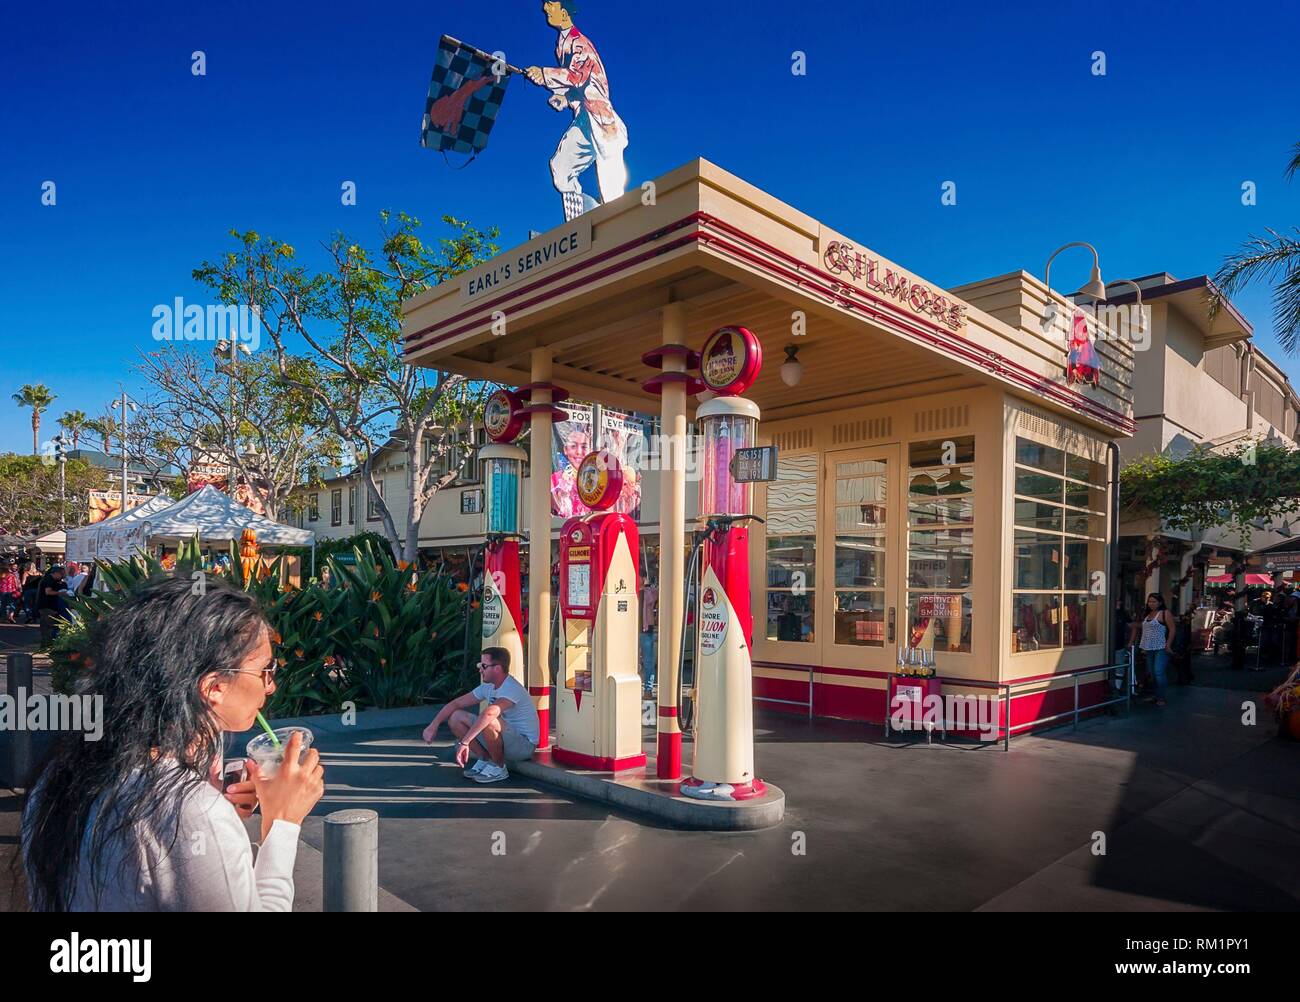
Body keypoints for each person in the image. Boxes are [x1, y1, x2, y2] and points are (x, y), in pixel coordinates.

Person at [21, 574, 324, 910]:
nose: (271, 687)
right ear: (214, 688)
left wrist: (216, 819)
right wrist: (282, 822)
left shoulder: (58, 778)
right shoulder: (191, 811)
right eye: (265, 670)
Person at [525, 0, 629, 222]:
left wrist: (542, 74)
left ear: (564, 13)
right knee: (561, 168)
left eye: (550, 4)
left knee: (612, 190)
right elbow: (582, 85)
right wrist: (565, 97)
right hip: (584, 118)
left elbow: (576, 77)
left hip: (603, 121)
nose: (545, 8)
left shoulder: (580, 44)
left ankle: (619, 229)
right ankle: (580, 223)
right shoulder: (563, 44)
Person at [422, 646, 539, 784]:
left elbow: (490, 713)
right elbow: (456, 704)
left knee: (489, 720)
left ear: (497, 668)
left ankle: (499, 767)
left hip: (523, 747)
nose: (480, 669)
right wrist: (433, 725)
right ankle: (485, 759)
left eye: (483, 666)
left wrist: (464, 742)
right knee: (456, 717)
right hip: (506, 739)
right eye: (479, 665)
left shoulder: (511, 688)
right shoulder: (488, 686)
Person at [1131, 592, 1175, 707]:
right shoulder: (1148, 614)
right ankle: (1156, 695)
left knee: (1158, 672)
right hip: (1148, 647)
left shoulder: (1165, 613)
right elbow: (1144, 627)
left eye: (1154, 601)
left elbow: (1172, 629)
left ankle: (1161, 697)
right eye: (1149, 601)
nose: (1151, 603)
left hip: (1161, 646)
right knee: (1151, 672)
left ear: (1160, 602)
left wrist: (1168, 644)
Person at [35, 565, 70, 645]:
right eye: (61, 575)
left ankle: (46, 643)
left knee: (47, 626)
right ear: (56, 573)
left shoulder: (51, 580)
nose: (61, 577)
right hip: (47, 606)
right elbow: (48, 591)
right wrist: (60, 593)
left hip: (49, 606)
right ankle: (47, 643)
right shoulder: (49, 580)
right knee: (49, 626)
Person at [639, 568, 658, 696]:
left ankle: (648, 689)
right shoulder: (632, 591)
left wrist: (647, 585)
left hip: (646, 631)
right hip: (635, 631)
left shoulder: (649, 592)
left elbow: (652, 600)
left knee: (648, 662)